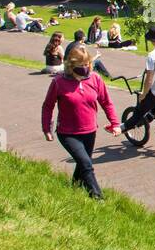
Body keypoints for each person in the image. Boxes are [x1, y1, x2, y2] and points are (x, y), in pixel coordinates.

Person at [41, 42, 120, 200]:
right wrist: (46, 129)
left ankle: (74, 188)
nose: (86, 67)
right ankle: (98, 198)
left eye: (87, 64)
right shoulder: (59, 82)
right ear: (71, 65)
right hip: (68, 132)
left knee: (83, 163)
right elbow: (48, 106)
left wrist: (115, 123)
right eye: (82, 64)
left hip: (89, 130)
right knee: (86, 163)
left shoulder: (95, 79)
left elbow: (106, 102)